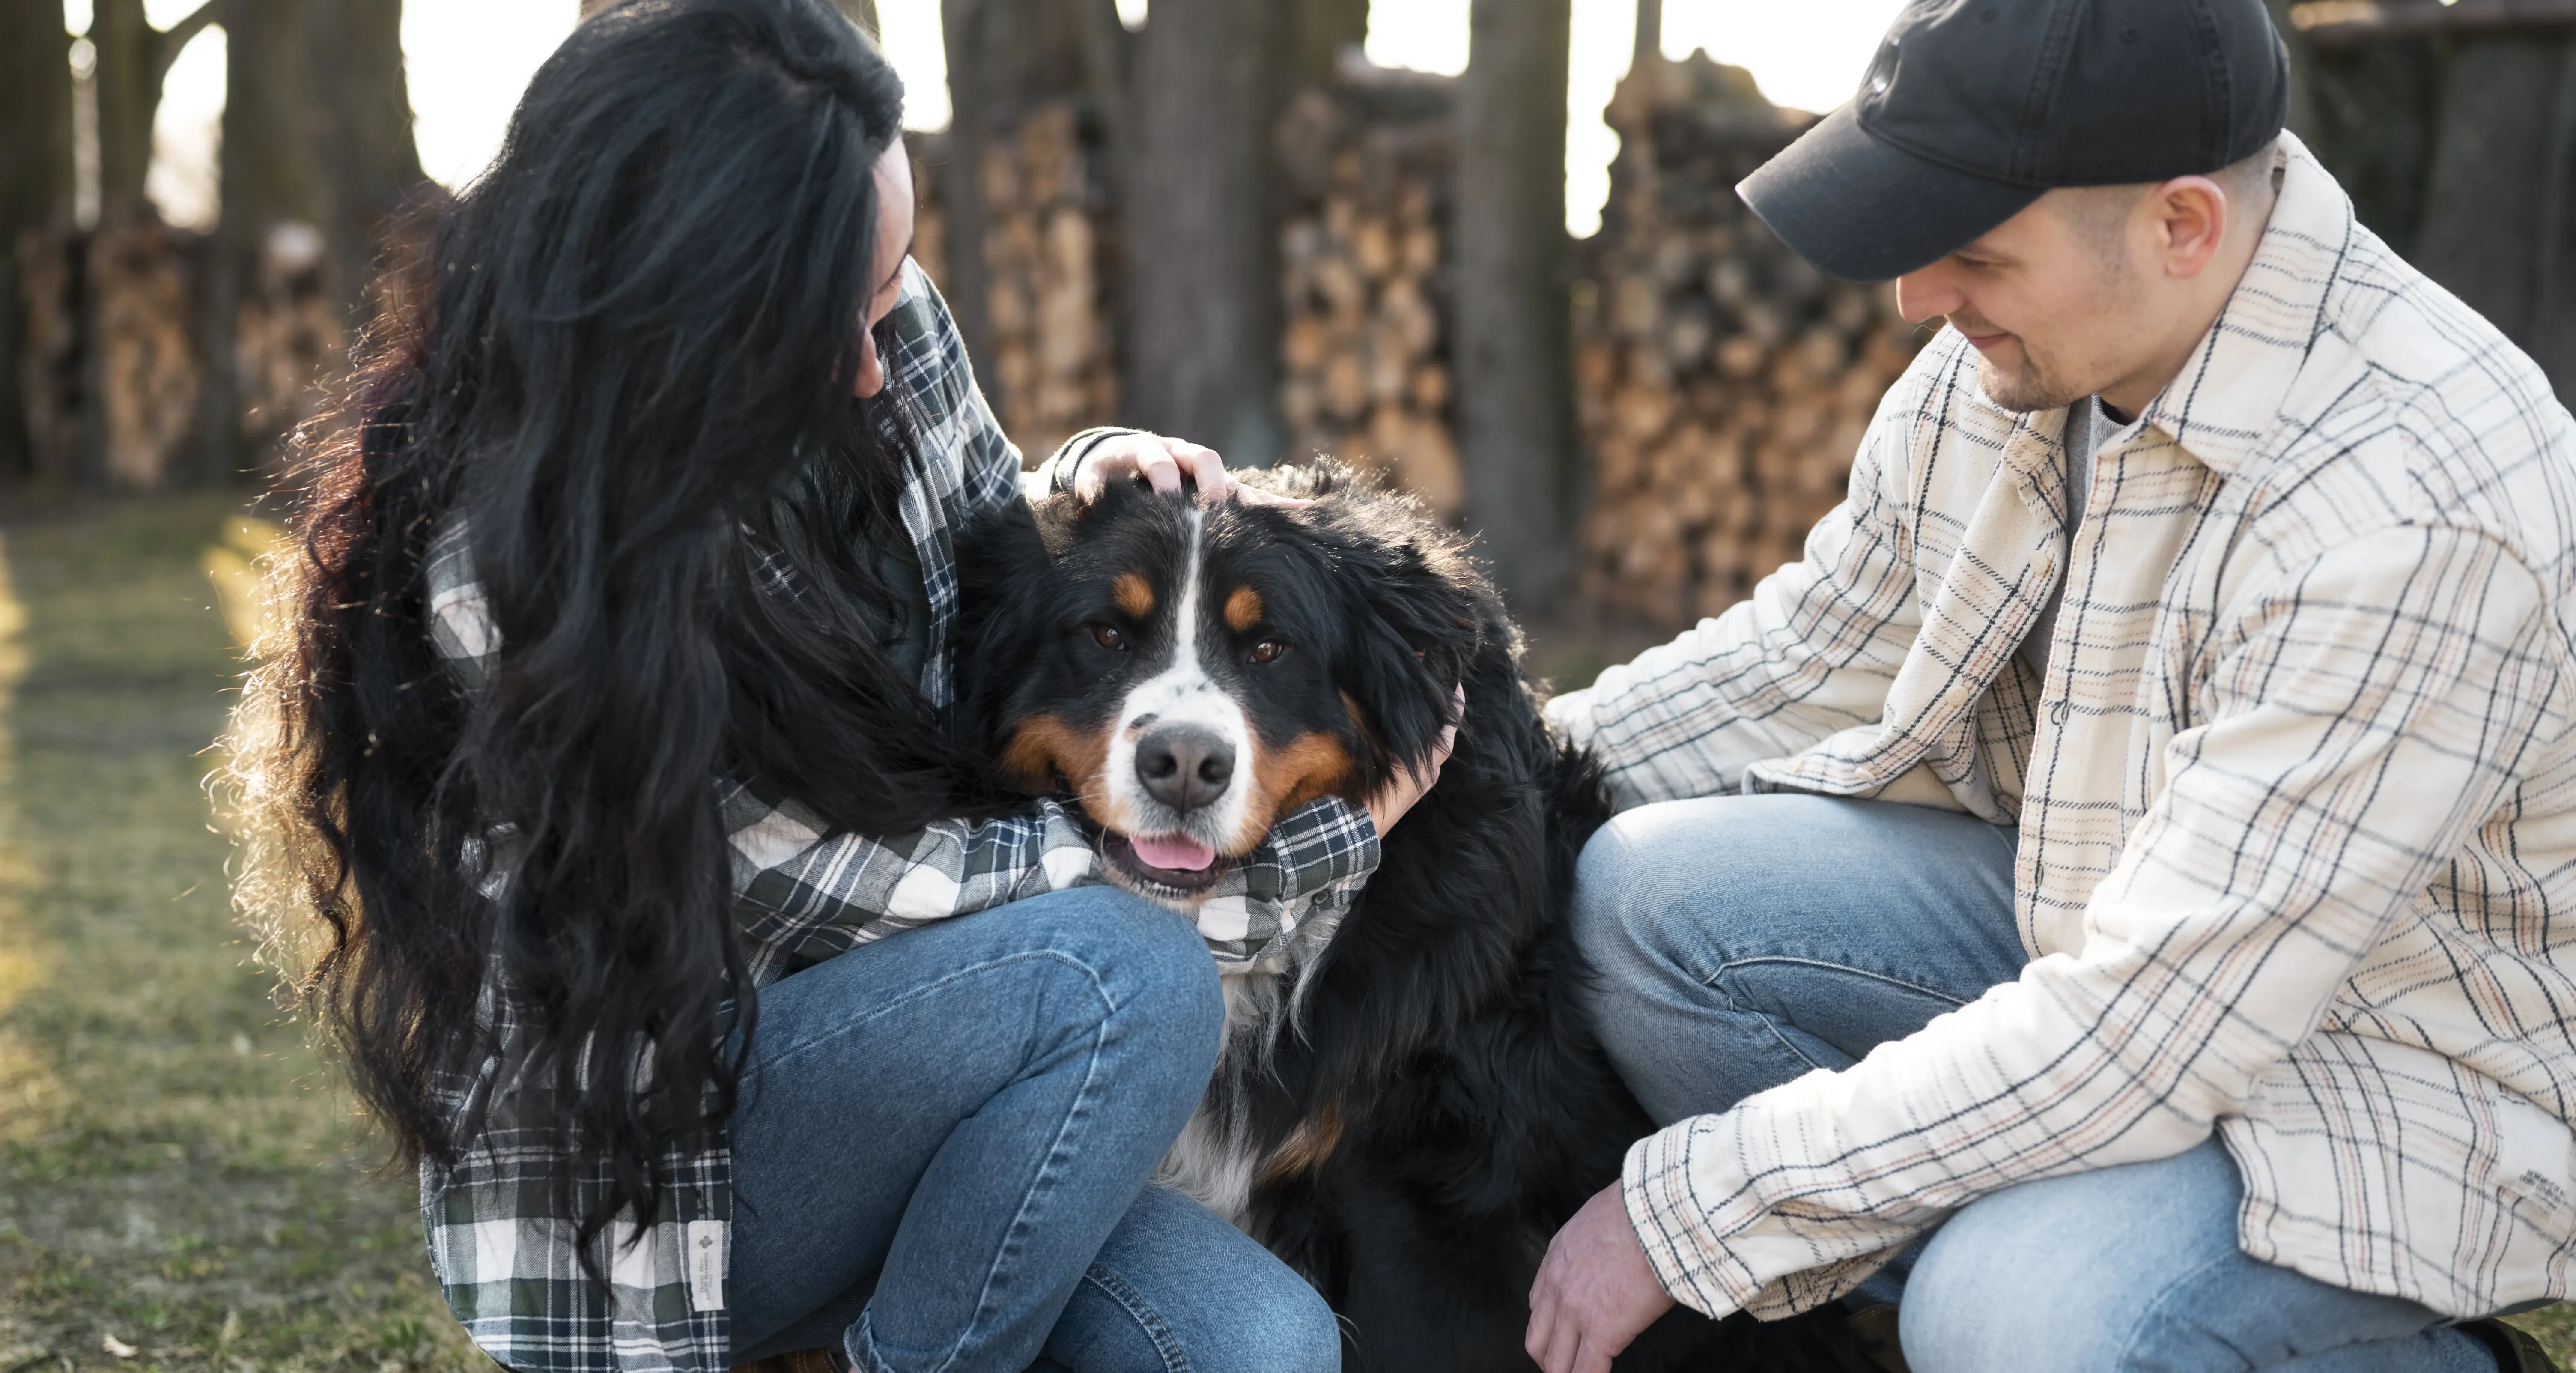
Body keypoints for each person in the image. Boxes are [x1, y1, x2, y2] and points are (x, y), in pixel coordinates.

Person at [224, 3, 1450, 1370]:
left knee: (1255, 1345)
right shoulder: (512, 579)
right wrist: (1343, 828)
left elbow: (988, 550)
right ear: (681, 298)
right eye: (834, 314)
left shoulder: (865, 307)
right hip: (674, 1198)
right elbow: (882, 887)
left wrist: (1097, 479)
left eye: (892, 283)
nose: (881, 356)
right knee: (1128, 974)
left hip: (938, 1077)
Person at [1524, 2, 2575, 1371]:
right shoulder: (2020, 366)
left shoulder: (2410, 505)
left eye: (1971, 250)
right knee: (1651, 901)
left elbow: (2147, 1031)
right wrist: (1467, 763)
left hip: (2391, 1085)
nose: (1914, 296)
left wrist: (1693, 1208)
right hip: (2096, 933)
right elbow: (1803, 660)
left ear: (2181, 226)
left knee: (2014, 1309)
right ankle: (2021, 1265)